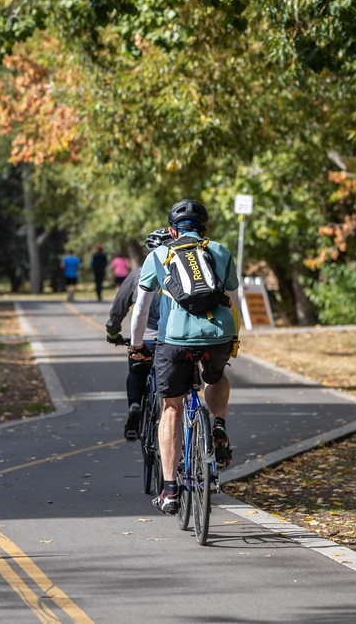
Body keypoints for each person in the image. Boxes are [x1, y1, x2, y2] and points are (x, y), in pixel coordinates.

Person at [129, 199, 240, 514]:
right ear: (205, 229)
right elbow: (233, 298)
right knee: (216, 377)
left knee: (171, 407)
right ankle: (217, 425)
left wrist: (137, 345)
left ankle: (170, 490)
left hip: (173, 340)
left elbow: (141, 308)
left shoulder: (159, 254)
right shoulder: (219, 251)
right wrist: (234, 337)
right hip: (218, 336)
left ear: (170, 230)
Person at [106, 228, 171, 440]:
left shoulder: (138, 274)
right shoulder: (182, 274)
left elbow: (119, 307)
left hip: (146, 338)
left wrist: (113, 331)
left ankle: (135, 406)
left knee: (137, 371)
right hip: (175, 338)